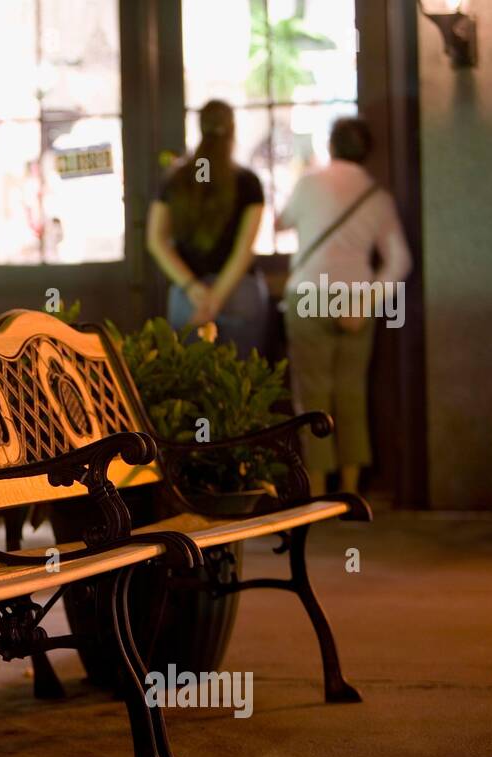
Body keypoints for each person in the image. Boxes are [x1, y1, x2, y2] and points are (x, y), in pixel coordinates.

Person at [277, 116, 412, 496]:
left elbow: (279, 221)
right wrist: (367, 303)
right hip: (356, 297)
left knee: (313, 394)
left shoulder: (309, 183)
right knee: (352, 392)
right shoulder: (378, 197)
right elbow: (400, 261)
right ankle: (351, 492)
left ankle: (319, 491)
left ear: (331, 146)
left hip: (308, 295)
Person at [147, 99, 267, 356]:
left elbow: (155, 240)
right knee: (243, 386)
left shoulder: (174, 180)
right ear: (233, 129)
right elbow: (245, 249)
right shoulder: (248, 182)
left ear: (200, 127)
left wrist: (192, 288)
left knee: (191, 387)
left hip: (187, 298)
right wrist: (218, 298)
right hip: (239, 293)